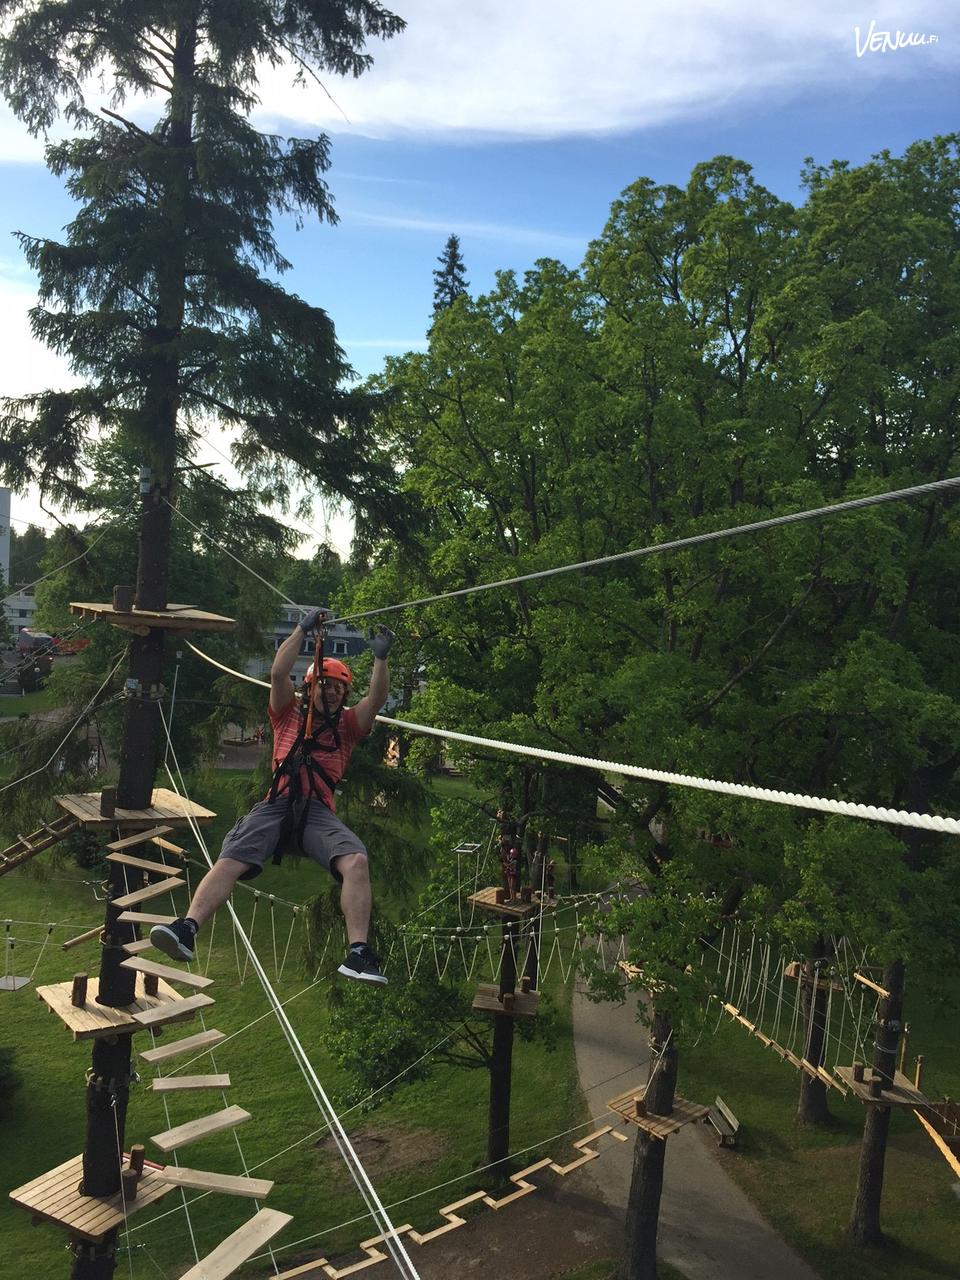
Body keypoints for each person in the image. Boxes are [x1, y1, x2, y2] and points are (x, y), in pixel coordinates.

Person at [151, 609, 393, 984]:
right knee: (230, 858)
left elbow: (376, 700)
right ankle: (187, 928)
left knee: (357, 860)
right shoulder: (287, 713)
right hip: (276, 804)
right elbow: (279, 673)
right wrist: (300, 629)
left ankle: (359, 953)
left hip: (317, 811)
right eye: (321, 685)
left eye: (336, 687)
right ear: (308, 689)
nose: (328, 691)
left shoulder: (348, 726)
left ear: (344, 694)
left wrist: (380, 659)